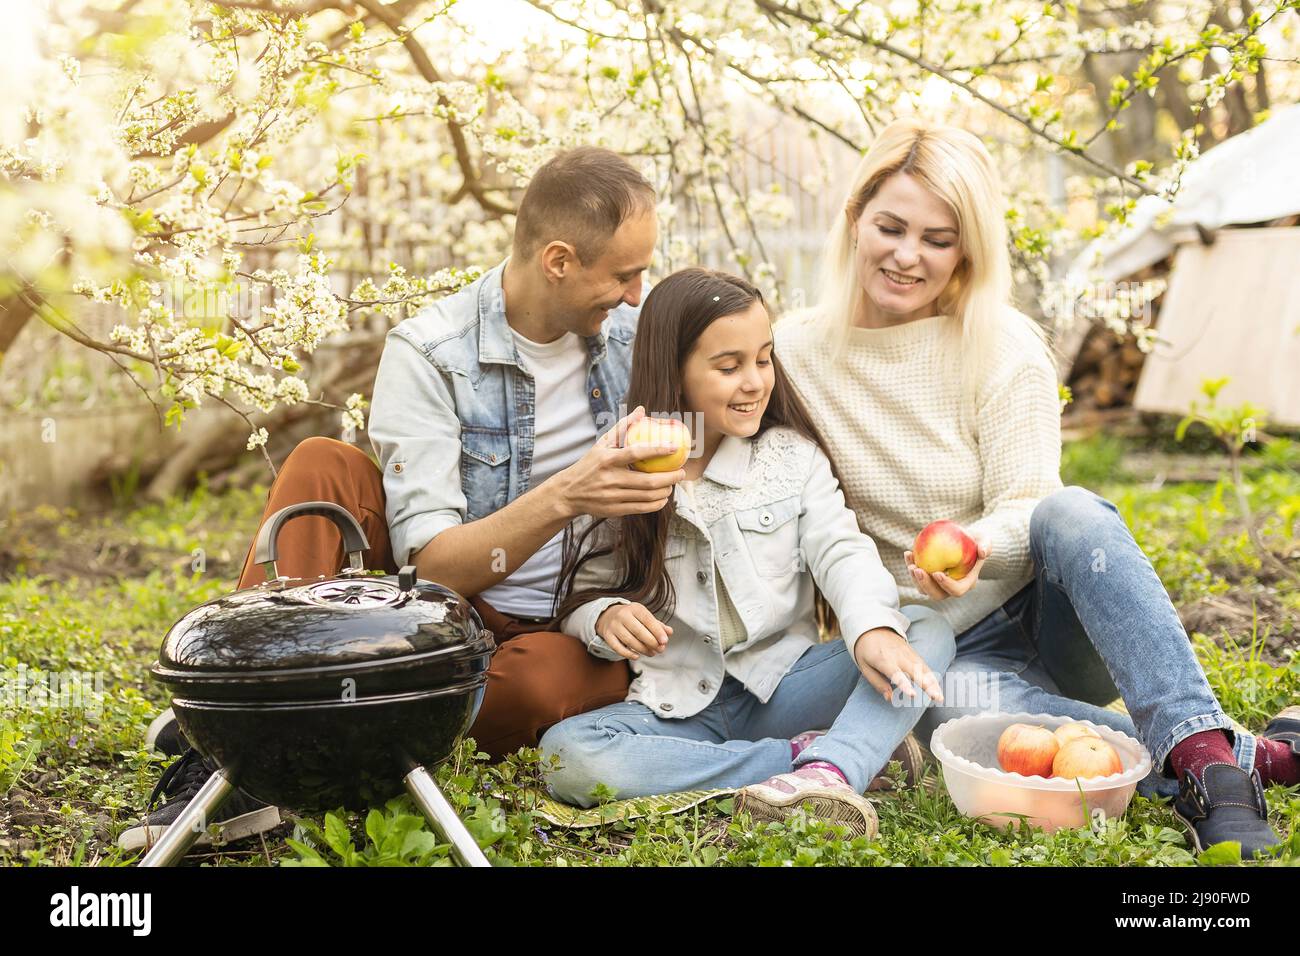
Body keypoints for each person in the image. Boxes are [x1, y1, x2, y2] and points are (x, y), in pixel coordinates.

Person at [118, 146, 685, 852]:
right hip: (444, 608)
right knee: (322, 463)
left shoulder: (641, 343)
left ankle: (271, 727)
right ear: (559, 261)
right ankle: (245, 725)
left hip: (562, 626)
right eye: (624, 274)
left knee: (544, 690)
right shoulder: (432, 350)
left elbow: (744, 377)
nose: (637, 293)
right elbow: (437, 568)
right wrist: (569, 493)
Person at [774, 117, 1297, 856]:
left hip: (1042, 616)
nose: (906, 255)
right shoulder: (792, 353)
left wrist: (975, 545)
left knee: (1071, 511)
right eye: (890, 227)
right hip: (939, 656)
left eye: (938, 238)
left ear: (966, 251)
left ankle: (1206, 761)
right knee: (974, 725)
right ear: (855, 219)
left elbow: (1029, 506)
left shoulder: (1002, 344)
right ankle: (1234, 759)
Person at [538, 268, 956, 838]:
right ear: (673, 373)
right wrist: (603, 616)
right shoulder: (620, 472)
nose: (756, 381)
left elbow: (841, 551)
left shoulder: (789, 458)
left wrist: (870, 629)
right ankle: (801, 763)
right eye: (729, 367)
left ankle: (835, 768)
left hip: (787, 685)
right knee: (568, 757)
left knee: (926, 628)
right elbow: (585, 592)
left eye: (764, 359)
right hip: (680, 707)